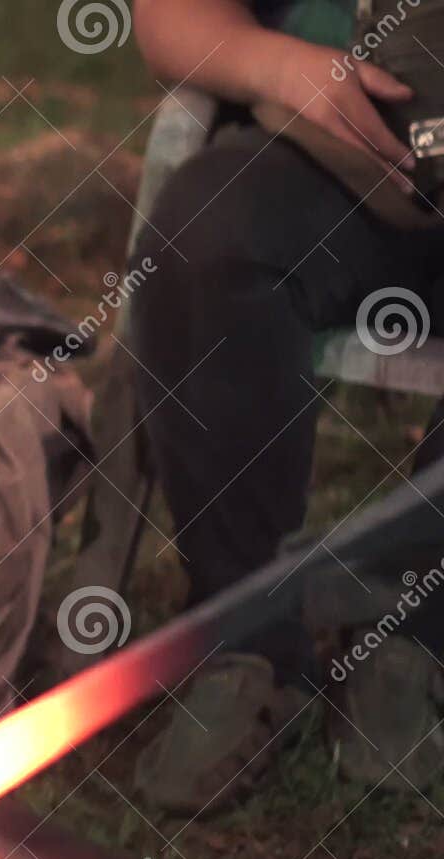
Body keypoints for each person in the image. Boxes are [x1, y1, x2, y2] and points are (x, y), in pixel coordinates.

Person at [126, 0, 444, 812]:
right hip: (329, 163)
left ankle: (421, 640)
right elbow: (175, 17)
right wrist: (278, 65)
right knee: (207, 236)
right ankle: (248, 640)